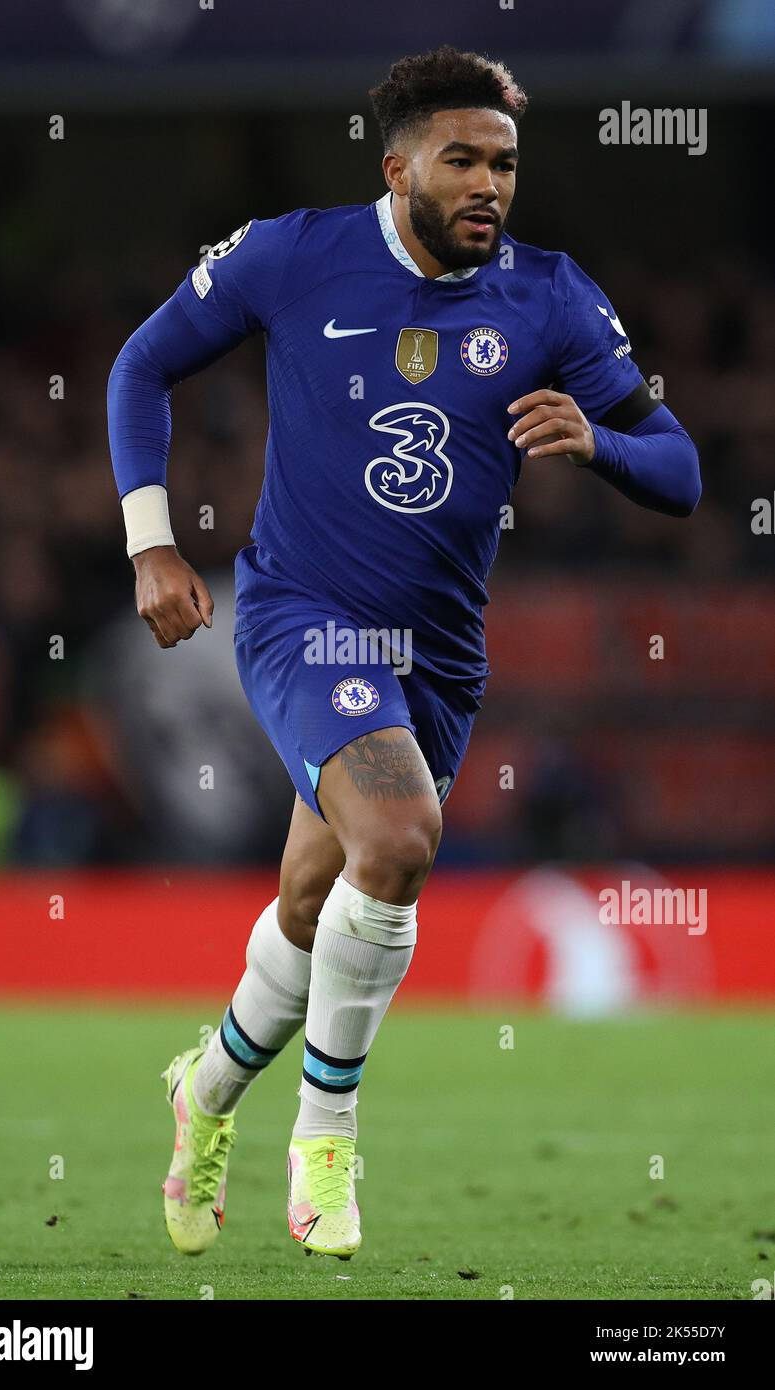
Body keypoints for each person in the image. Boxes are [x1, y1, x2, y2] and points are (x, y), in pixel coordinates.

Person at [107, 45, 701, 1261]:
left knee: (313, 897)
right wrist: (152, 545)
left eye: (504, 164)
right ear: (398, 168)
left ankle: (203, 1093)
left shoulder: (549, 298)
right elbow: (140, 365)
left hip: (436, 653)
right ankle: (326, 1139)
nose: (489, 184)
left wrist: (599, 440)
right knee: (400, 839)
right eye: (462, 160)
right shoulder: (289, 253)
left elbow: (683, 472)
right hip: (301, 615)